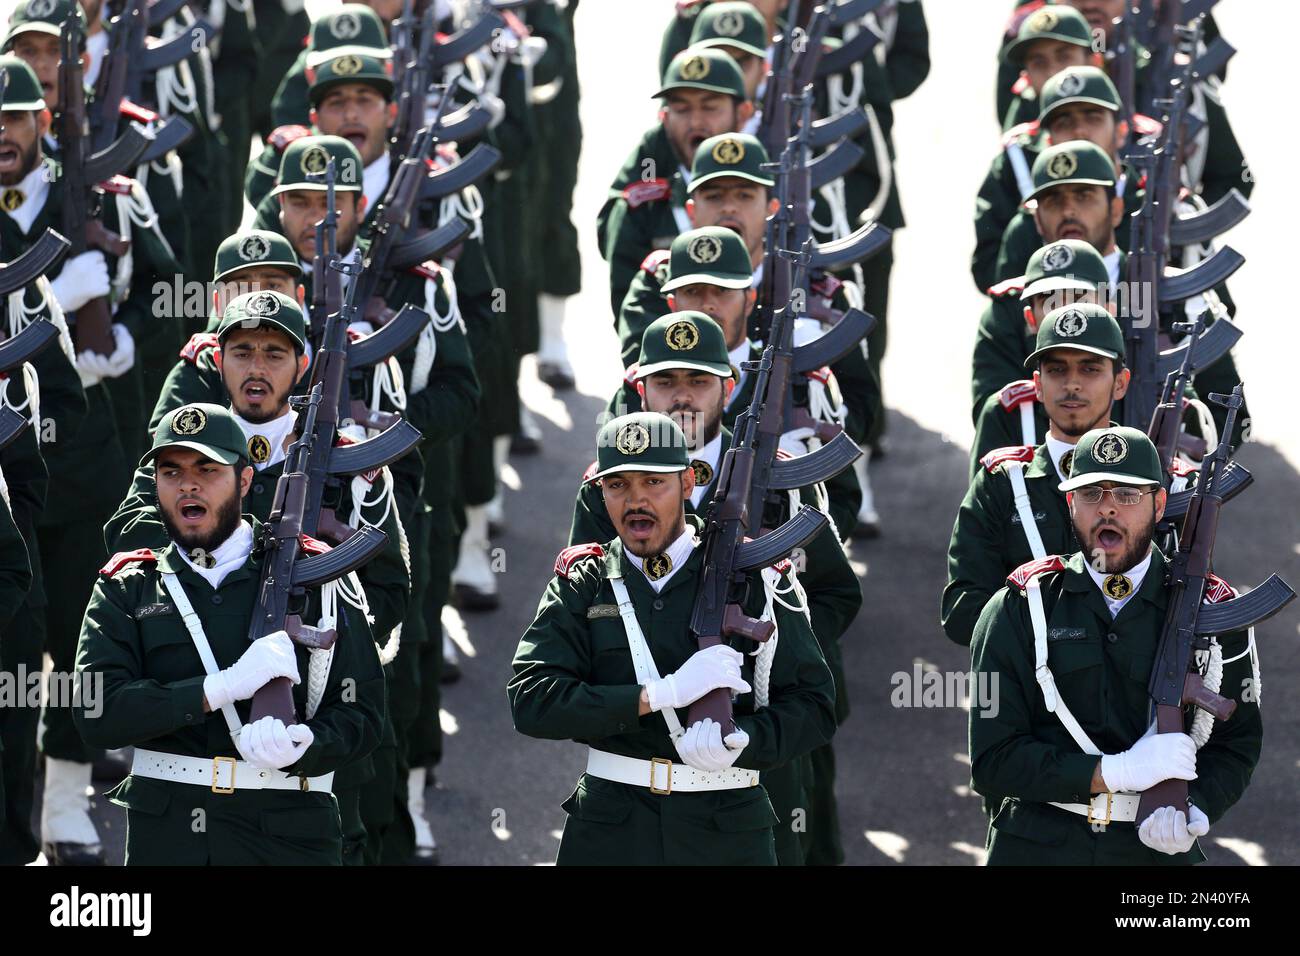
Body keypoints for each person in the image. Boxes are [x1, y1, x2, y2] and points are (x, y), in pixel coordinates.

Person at [509, 411, 836, 865]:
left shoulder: (755, 578)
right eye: (618, 485)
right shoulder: (584, 583)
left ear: (686, 483)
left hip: (725, 829)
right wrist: (658, 694)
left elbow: (815, 705)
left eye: (653, 482)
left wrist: (747, 738)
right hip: (611, 830)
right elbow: (532, 701)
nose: (635, 500)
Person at [74, 402, 386, 864]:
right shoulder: (128, 587)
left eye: (207, 469)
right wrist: (216, 690)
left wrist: (309, 744)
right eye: (171, 472)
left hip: (288, 837)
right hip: (171, 840)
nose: (188, 485)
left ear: (244, 480)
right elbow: (96, 711)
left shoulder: (314, 575)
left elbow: (363, 712)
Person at [968, 426, 1261, 864]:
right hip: (1037, 844)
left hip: (1155, 844)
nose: (1107, 508)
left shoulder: (1211, 611)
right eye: (1090, 494)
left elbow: (1237, 741)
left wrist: (1199, 805)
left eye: (1127, 494)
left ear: (1159, 504)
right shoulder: (1019, 608)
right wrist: (1112, 773)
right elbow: (993, 759)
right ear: (1070, 504)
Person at [944, 303, 1129, 649]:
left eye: (1090, 369)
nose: (1072, 384)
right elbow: (962, 610)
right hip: (1030, 691)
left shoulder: (1156, 482)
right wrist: (1055, 631)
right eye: (1057, 370)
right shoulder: (1000, 483)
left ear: (1120, 383)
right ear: (1038, 385)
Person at [597, 46, 752, 317]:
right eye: (682, 109)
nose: (696, 122)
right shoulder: (647, 193)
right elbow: (633, 318)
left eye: (710, 107)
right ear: (665, 119)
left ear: (742, 114)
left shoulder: (772, 173)